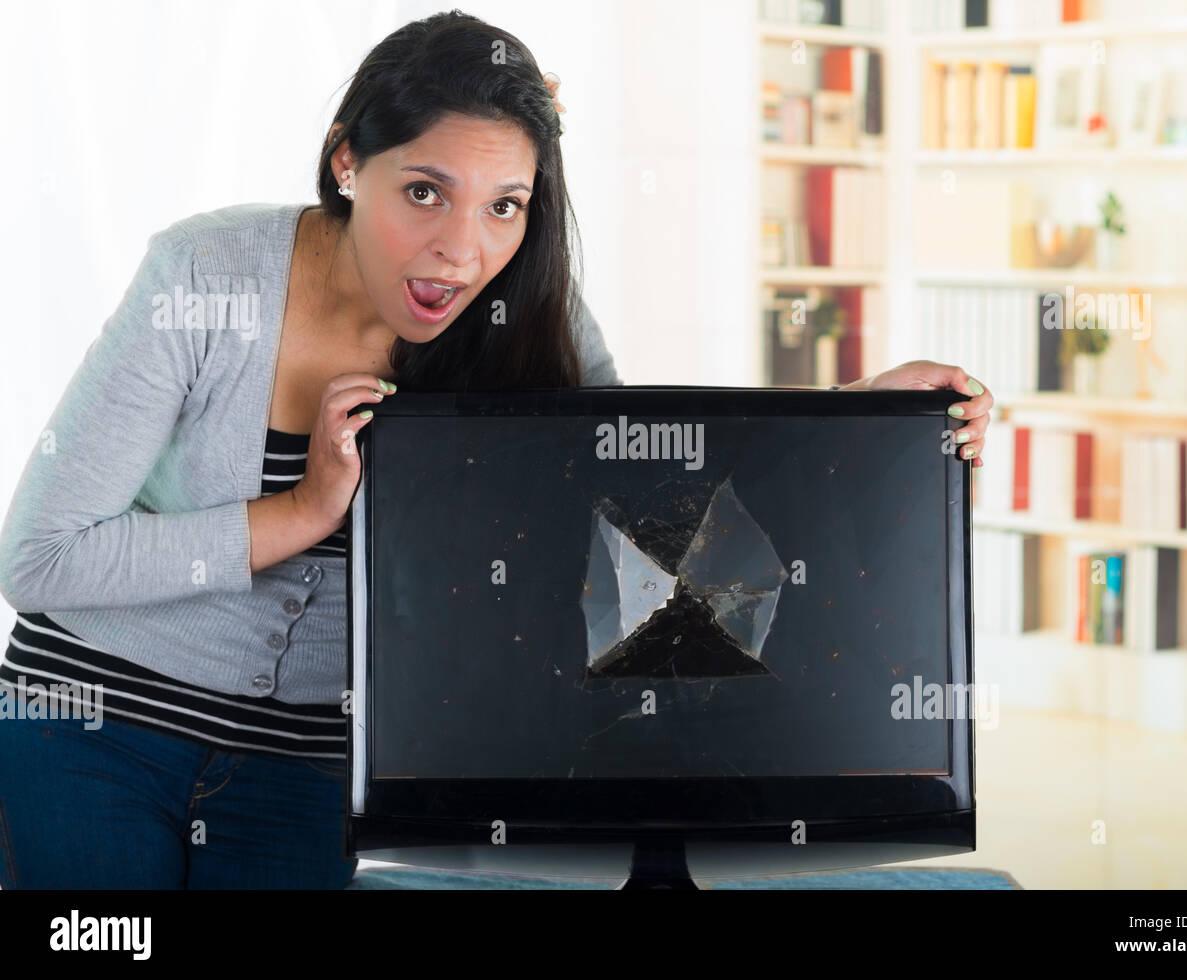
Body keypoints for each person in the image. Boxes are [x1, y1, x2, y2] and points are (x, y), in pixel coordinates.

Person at [0, 10, 993, 890]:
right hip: (97, 720)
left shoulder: (527, 312)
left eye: (503, 205)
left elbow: (659, 504)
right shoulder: (203, 276)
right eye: (425, 192)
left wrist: (864, 421)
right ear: (347, 160)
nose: (460, 250)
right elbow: (37, 559)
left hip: (307, 762)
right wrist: (297, 514)